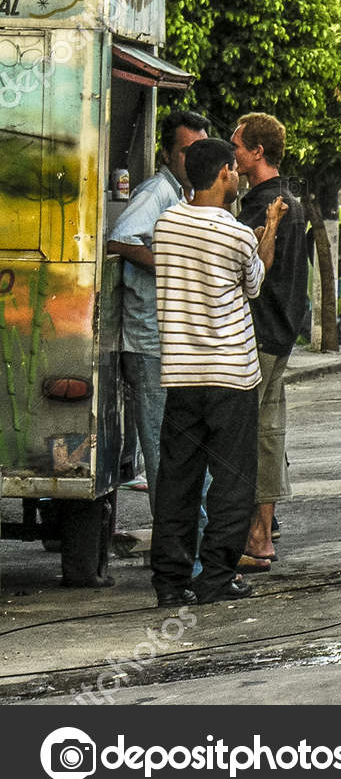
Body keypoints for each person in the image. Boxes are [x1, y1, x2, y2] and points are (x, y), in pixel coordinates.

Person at [149, 139, 286, 606]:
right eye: (234, 170)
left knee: (177, 483)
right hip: (231, 376)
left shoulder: (165, 225)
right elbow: (254, 283)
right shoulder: (235, 233)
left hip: (182, 375)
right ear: (226, 173)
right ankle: (216, 578)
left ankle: (170, 583)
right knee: (231, 481)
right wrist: (268, 231)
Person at [107, 110, 209, 513]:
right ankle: (174, 547)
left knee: (182, 448)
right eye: (186, 152)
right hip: (148, 344)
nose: (194, 160)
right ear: (167, 155)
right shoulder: (156, 192)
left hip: (170, 343)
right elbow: (119, 240)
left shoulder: (185, 198)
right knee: (161, 449)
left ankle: (182, 542)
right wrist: (170, 263)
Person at [230, 114, 307, 574]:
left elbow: (256, 270)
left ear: (257, 151)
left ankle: (257, 535)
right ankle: (262, 531)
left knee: (253, 437)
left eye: (238, 146)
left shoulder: (267, 206)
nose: (232, 154)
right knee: (268, 433)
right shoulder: (286, 200)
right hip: (280, 333)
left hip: (260, 335)